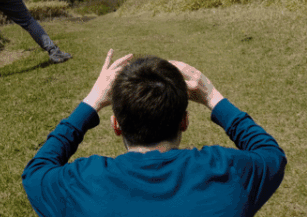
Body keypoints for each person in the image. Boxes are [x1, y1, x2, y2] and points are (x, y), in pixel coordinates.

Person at [22, 50, 287, 217]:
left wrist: (91, 102)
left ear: (116, 125)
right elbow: (270, 154)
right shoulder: (230, 173)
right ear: (184, 121)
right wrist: (212, 97)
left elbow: (36, 172)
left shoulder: (81, 184)